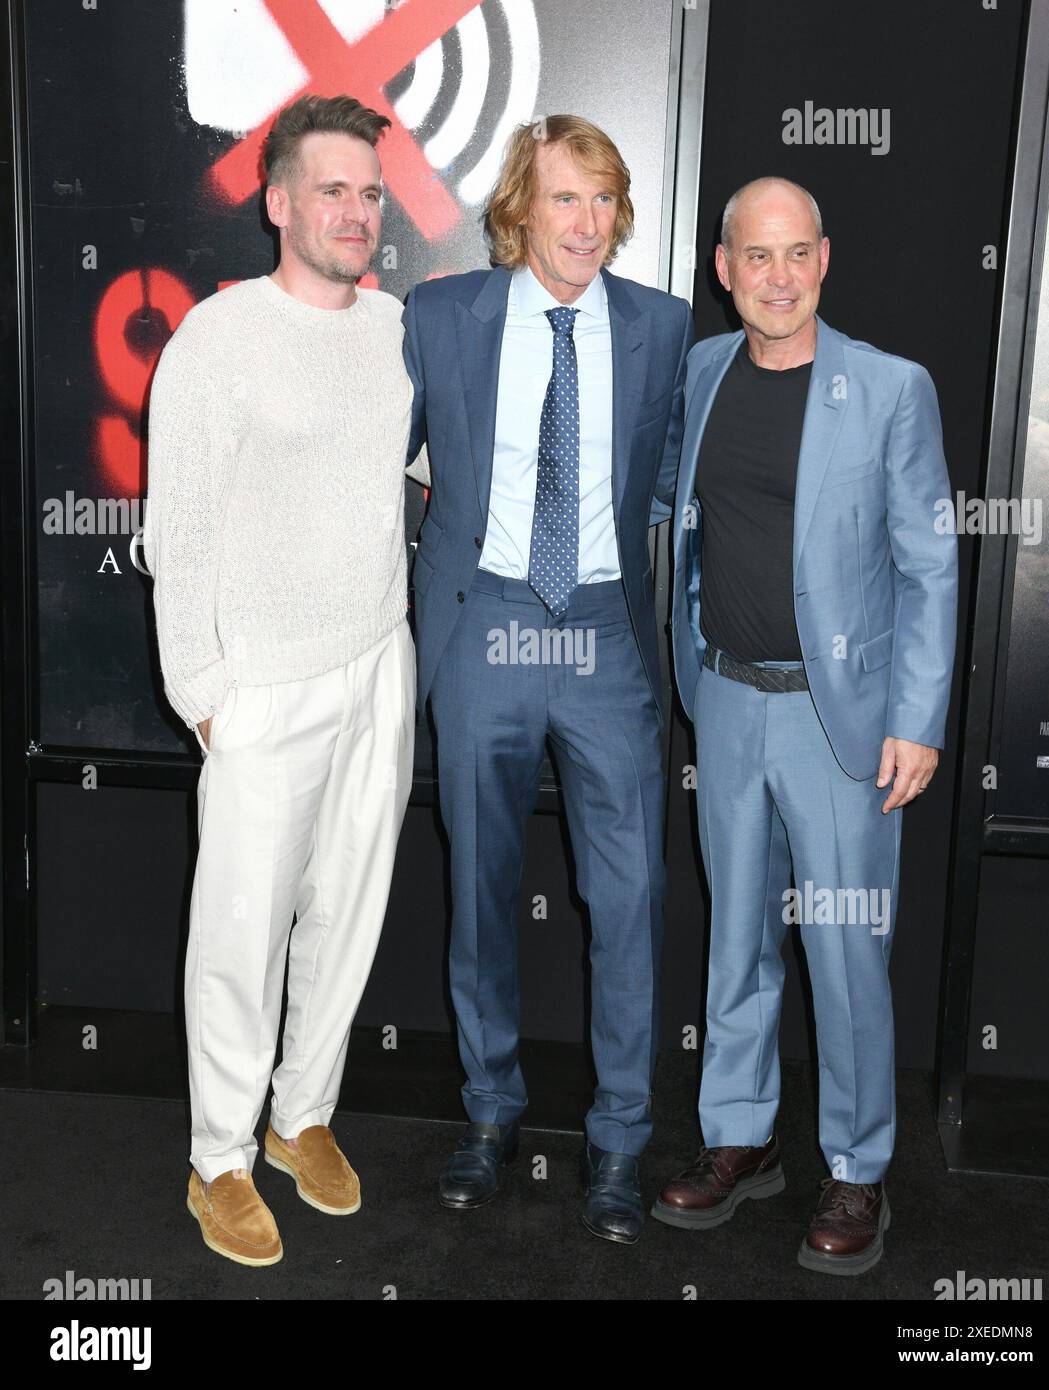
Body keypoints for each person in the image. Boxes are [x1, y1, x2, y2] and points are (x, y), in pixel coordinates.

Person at [655, 177, 957, 1275]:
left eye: (797, 255)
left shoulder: (889, 389)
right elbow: (679, 526)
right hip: (728, 703)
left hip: (846, 727)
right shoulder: (701, 370)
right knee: (735, 937)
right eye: (755, 258)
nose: (777, 278)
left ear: (822, 260)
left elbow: (930, 562)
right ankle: (741, 1134)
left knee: (843, 953)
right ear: (723, 269)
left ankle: (858, 1163)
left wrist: (918, 719)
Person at [402, 115, 693, 1243]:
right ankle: (489, 1115)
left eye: (605, 200)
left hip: (606, 637)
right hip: (488, 622)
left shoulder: (663, 327)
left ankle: (619, 1140)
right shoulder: (438, 318)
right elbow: (389, 452)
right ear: (521, 208)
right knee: (481, 886)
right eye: (567, 199)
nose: (587, 223)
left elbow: (665, 463)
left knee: (629, 898)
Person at [143, 95, 416, 1267]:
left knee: (347, 915)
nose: (356, 211)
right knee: (242, 935)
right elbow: (180, 529)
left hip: (378, 664)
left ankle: (301, 1113)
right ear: (279, 202)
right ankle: (218, 1157)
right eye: (333, 190)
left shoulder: (400, 329)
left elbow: (424, 467)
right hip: (260, 686)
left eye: (369, 191)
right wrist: (204, 690)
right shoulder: (217, 338)